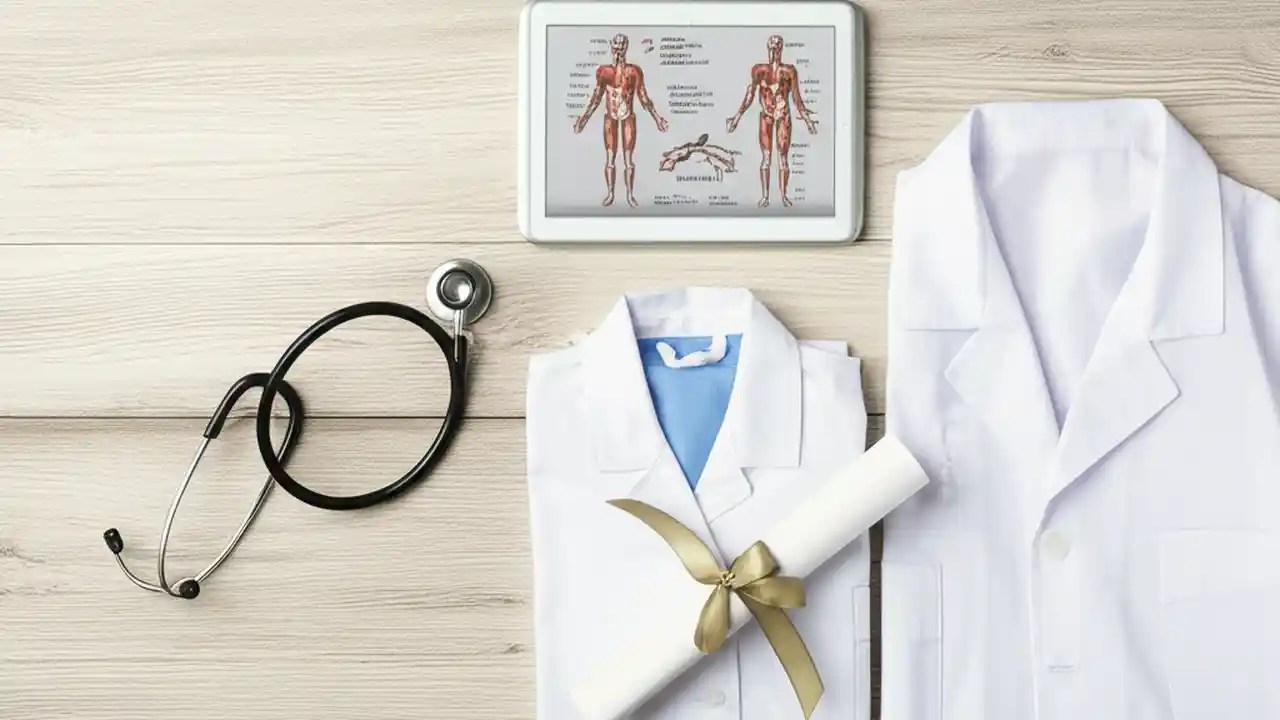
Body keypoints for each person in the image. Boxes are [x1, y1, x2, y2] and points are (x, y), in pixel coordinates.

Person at [573, 34, 669, 208]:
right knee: (610, 159)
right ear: (611, 45)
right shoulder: (604, 72)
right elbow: (596, 98)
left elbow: (643, 97)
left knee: (628, 160)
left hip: (627, 119)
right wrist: (583, 119)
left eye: (622, 44)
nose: (619, 47)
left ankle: (630, 195)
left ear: (627, 47)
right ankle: (610, 193)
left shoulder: (634, 71)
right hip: (611, 118)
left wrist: (657, 118)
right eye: (616, 44)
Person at [726, 34, 819, 208]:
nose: (775, 47)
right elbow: (750, 94)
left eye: (778, 44)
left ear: (781, 48)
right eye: (772, 44)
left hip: (783, 115)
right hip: (767, 116)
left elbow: (797, 98)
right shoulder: (758, 70)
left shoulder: (789, 71)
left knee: (783, 158)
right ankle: (766, 196)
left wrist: (807, 120)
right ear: (768, 46)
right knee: (766, 158)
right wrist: (737, 116)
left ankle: (784, 196)